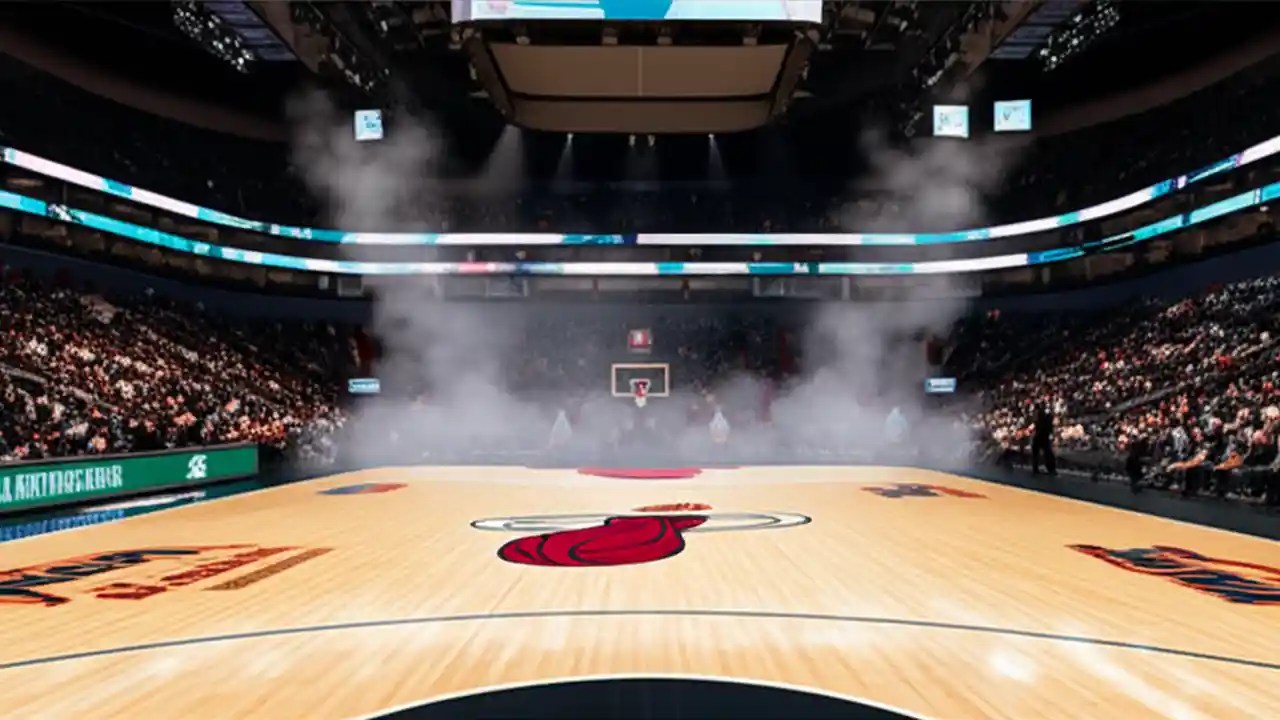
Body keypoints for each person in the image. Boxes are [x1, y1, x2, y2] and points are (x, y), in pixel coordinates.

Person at [1030, 402, 1056, 476]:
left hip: (1040, 434)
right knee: (1046, 452)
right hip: (1044, 434)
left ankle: (1036, 468)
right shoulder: (1046, 414)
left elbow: (1035, 423)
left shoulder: (1039, 413)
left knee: (1038, 452)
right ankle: (1050, 469)